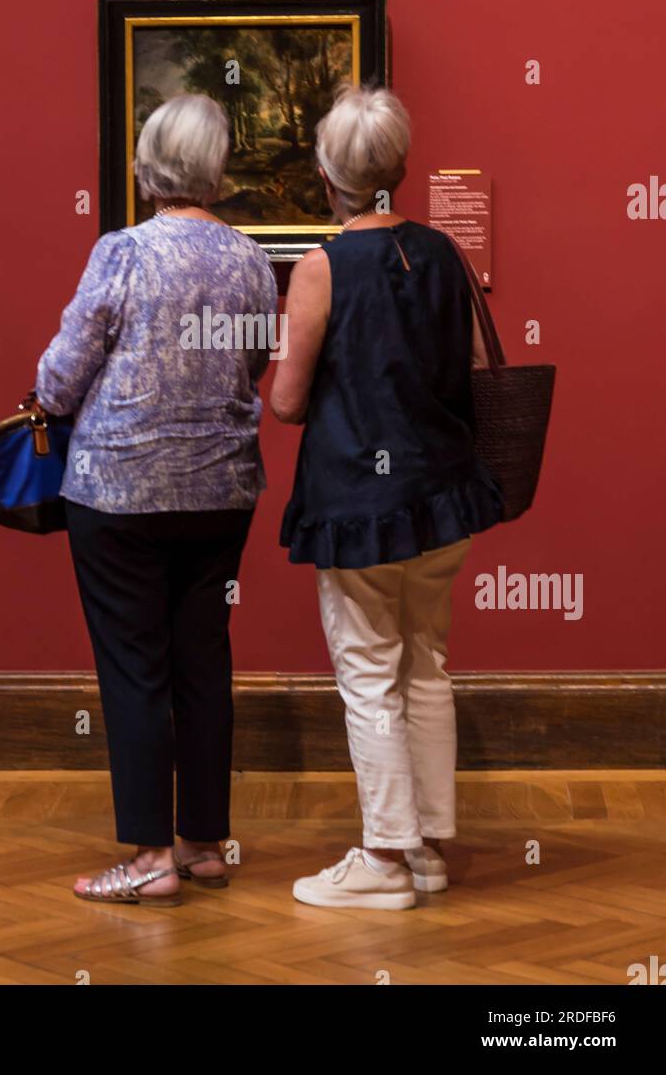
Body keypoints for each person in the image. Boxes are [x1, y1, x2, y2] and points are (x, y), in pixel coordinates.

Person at [36, 93, 277, 906]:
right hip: (221, 491)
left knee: (135, 670)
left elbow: (61, 377)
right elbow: (252, 370)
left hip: (121, 493)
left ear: (148, 167)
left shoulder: (123, 251)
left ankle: (146, 859)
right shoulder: (249, 259)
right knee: (203, 663)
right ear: (216, 169)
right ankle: (204, 843)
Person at [270, 85, 502, 910]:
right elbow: (479, 374)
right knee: (426, 665)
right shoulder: (444, 256)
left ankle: (383, 860)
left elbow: (287, 402)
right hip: (443, 496)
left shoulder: (320, 267)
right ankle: (430, 848)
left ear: (329, 175)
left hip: (358, 506)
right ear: (396, 169)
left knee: (368, 673)